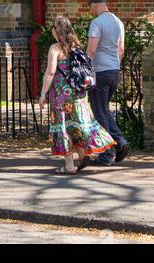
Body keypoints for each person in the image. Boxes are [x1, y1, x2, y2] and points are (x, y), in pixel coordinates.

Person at [38, 14, 116, 174]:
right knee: (79, 123)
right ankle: (82, 154)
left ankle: (69, 165)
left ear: (57, 31)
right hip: (78, 93)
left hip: (61, 94)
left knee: (63, 127)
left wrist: (43, 93)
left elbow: (51, 72)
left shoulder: (55, 48)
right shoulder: (76, 46)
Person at [87, 0, 130, 164]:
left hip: (99, 71)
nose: (90, 10)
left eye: (90, 6)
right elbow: (121, 49)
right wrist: (115, 66)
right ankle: (119, 141)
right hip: (114, 70)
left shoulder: (96, 23)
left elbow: (91, 50)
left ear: (95, 4)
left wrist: (84, 70)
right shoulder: (118, 22)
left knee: (99, 113)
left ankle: (106, 154)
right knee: (104, 109)